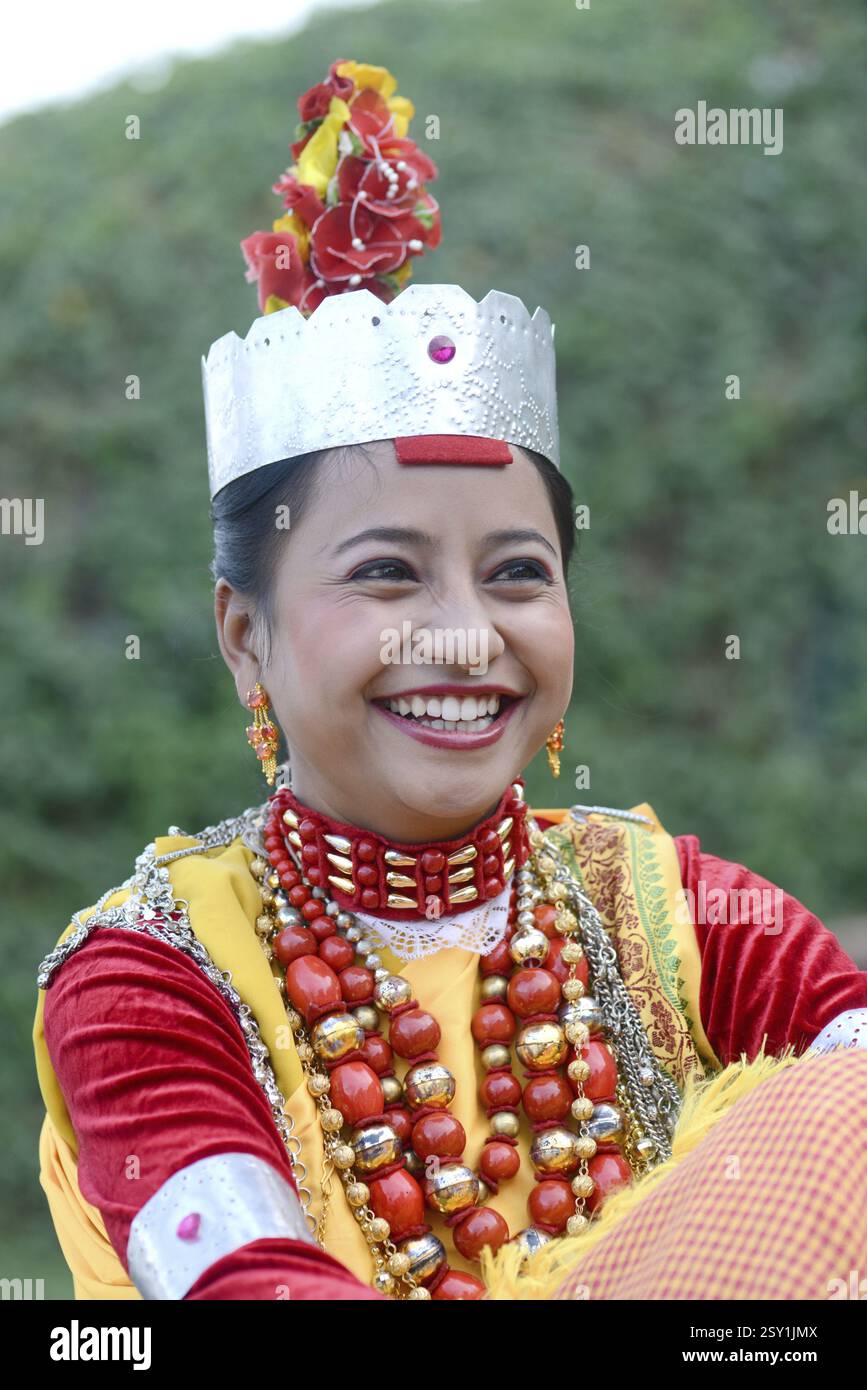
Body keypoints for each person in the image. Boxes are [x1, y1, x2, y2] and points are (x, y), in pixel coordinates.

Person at [32, 57, 867, 1302]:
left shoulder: (679, 914)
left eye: (518, 573)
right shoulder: (149, 977)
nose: (467, 638)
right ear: (244, 632)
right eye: (386, 573)